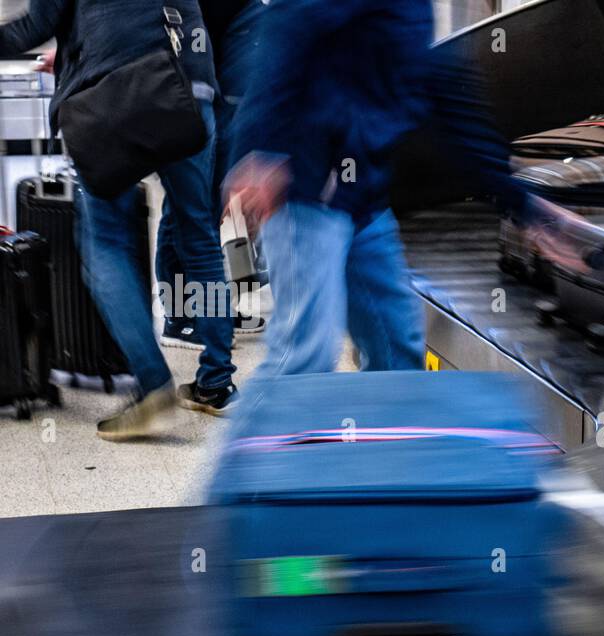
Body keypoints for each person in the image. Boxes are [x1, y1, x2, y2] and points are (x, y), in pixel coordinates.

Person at [224, 0, 580, 378]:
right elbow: (285, 35)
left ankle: (388, 418)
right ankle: (262, 419)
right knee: (304, 358)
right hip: (306, 193)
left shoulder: (415, 11)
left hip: (364, 200)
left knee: (397, 347)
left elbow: (449, 96)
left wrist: (525, 206)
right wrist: (258, 151)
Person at [0, 0, 237, 439]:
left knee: (105, 243)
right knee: (200, 236)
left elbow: (36, 24)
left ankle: (153, 386)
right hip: (187, 85)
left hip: (113, 98)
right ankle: (216, 380)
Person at [158, 0, 268, 356]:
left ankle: (216, 309)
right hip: (186, 35)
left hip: (236, 25)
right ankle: (180, 315)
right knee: (189, 196)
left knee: (221, 191)